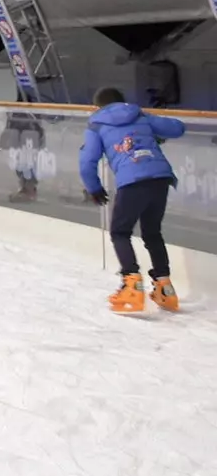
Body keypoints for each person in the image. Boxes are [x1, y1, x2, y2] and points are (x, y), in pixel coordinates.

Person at [80, 87, 186, 314]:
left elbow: (87, 161)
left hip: (132, 181)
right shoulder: (139, 115)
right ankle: (164, 287)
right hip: (160, 178)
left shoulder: (96, 124)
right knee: (152, 232)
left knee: (120, 232)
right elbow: (178, 128)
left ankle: (132, 284)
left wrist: (94, 188)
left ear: (97, 107)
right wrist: (150, 126)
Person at [0, 100, 46, 203]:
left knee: (28, 155)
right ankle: (25, 187)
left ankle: (29, 188)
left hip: (29, 123)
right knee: (19, 156)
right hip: (19, 120)